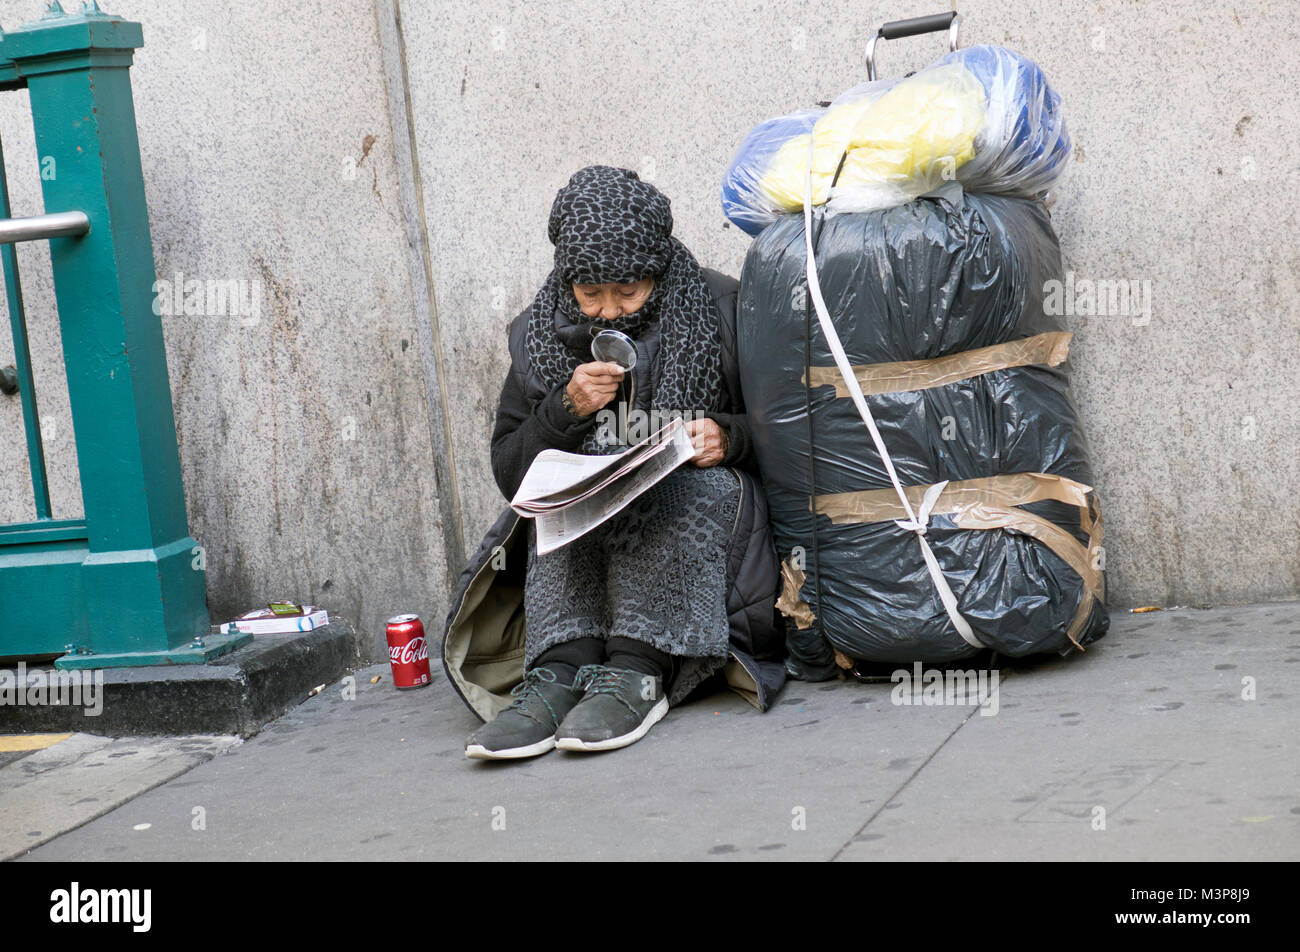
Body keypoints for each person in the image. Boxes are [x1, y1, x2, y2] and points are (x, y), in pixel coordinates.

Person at [442, 166, 785, 760]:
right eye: (589, 295)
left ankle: (638, 668)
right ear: (566, 281)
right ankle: (557, 670)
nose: (607, 311)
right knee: (561, 497)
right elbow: (510, 473)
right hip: (584, 530)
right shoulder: (537, 335)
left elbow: (791, 429)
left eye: (628, 293)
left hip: (703, 506)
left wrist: (729, 439)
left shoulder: (722, 305)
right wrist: (563, 409)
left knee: (678, 489)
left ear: (659, 269)